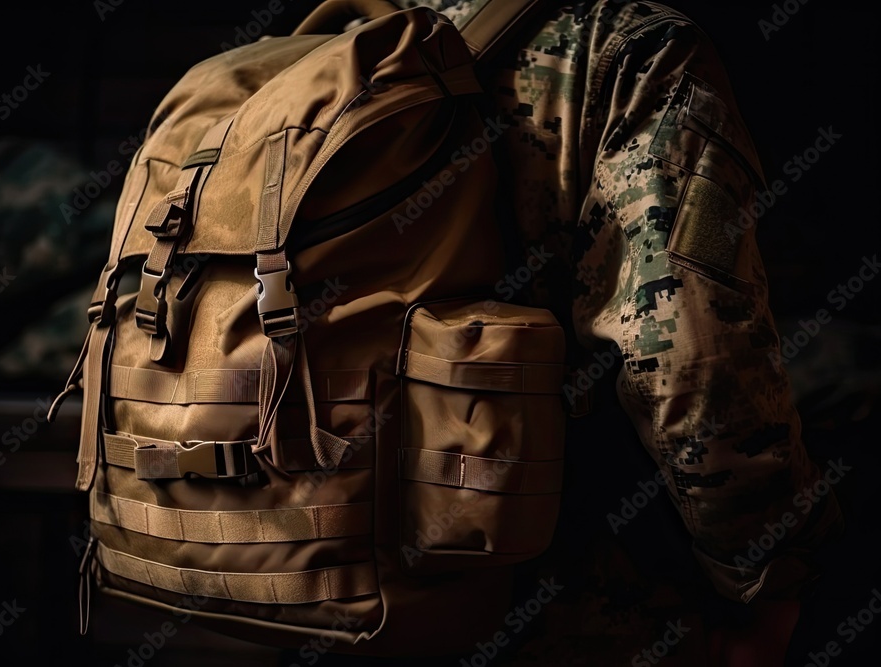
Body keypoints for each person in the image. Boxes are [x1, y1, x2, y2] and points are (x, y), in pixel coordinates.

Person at [357, 1, 842, 664]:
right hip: (573, 613)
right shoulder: (633, 50)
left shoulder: (331, 44)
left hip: (332, 591)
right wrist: (773, 587)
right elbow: (695, 367)